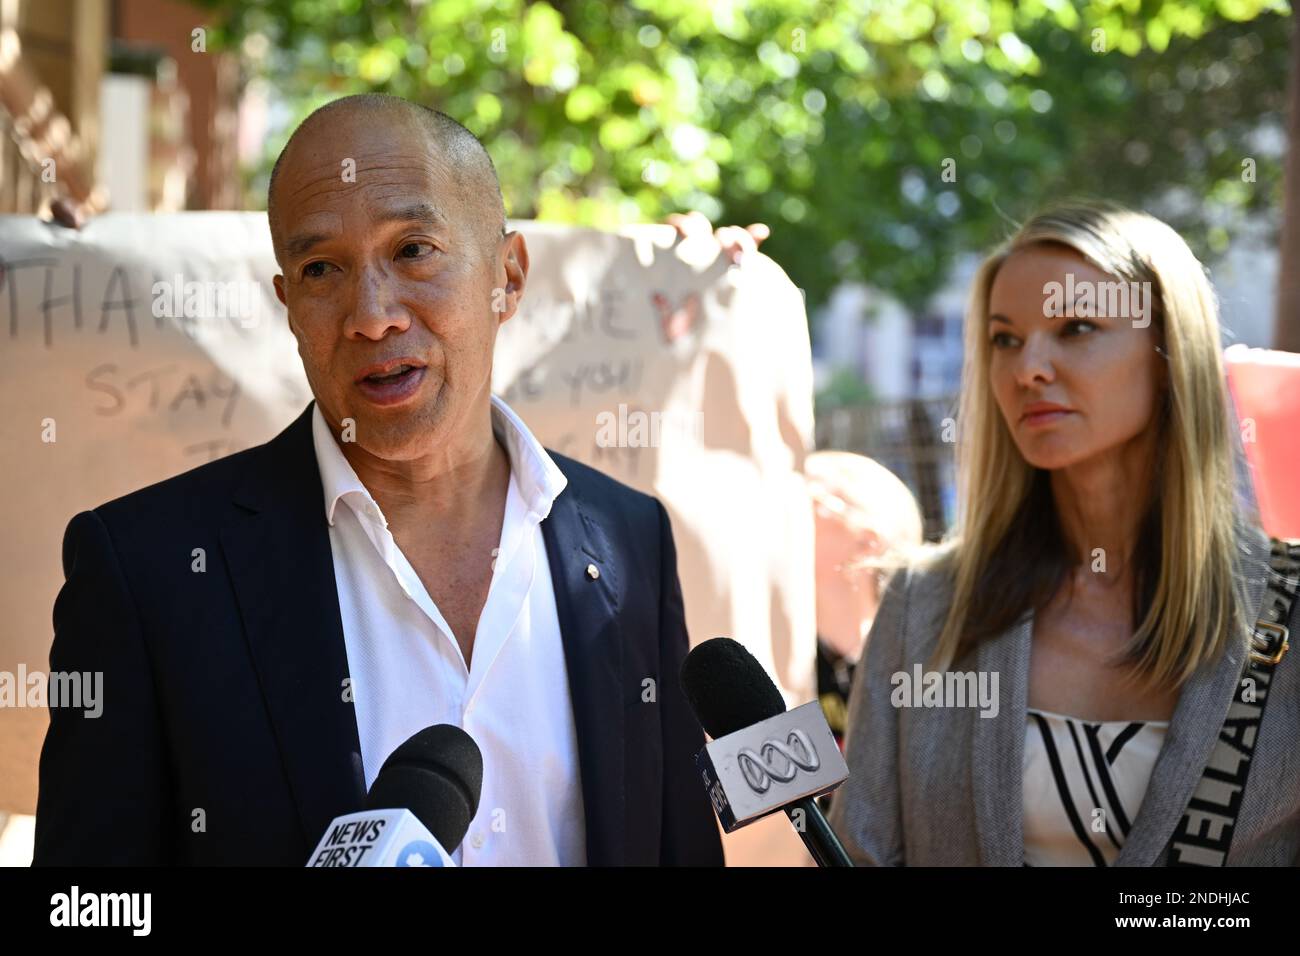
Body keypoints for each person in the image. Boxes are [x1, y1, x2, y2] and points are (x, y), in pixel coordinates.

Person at [33, 93, 723, 866]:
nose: (372, 315)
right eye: (322, 267)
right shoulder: (146, 571)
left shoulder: (630, 539)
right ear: (290, 305)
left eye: (413, 250)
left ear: (510, 275)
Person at [828, 201, 1300, 866]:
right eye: (1005, 339)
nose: (1029, 370)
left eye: (1076, 327)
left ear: (1169, 354)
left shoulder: (1287, 610)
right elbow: (862, 853)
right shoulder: (925, 605)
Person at [804, 451, 923, 749]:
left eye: (811, 505)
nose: (787, 523)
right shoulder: (777, 658)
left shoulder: (920, 665)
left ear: (867, 542)